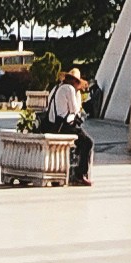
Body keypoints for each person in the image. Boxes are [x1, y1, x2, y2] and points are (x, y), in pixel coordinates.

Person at [45, 58, 90, 186]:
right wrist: (77, 96)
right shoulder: (69, 90)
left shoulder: (56, 88)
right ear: (75, 81)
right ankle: (80, 174)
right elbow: (75, 110)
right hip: (63, 126)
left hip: (52, 125)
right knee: (87, 142)